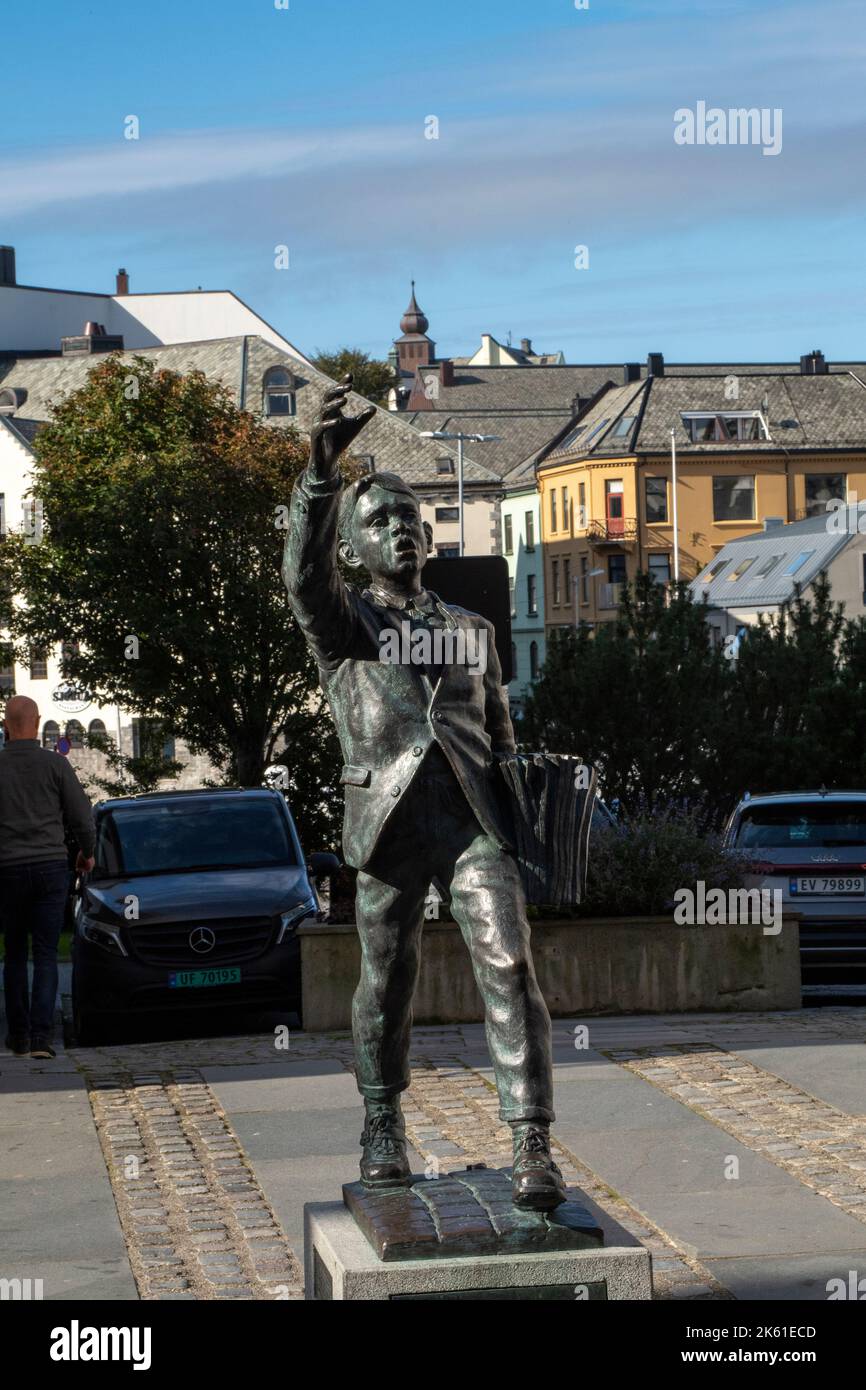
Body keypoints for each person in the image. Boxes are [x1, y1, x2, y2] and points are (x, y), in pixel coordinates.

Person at [283, 376, 565, 1210]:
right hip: (390, 822)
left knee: (511, 969)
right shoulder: (343, 627)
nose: (400, 528)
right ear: (355, 548)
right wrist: (319, 474)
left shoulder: (473, 632)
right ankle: (381, 1122)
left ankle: (532, 1142)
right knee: (387, 977)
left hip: (475, 822)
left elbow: (500, 732)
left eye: (411, 518)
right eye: (381, 522)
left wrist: (529, 794)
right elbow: (302, 574)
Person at [0, 695, 95, 1059]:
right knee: (45, 953)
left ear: (6, 724)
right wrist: (87, 854)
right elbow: (81, 817)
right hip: (50, 867)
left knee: (13, 953)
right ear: (37, 722)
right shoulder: (55, 765)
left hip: (7, 869)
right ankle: (42, 1038)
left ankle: (18, 1037)